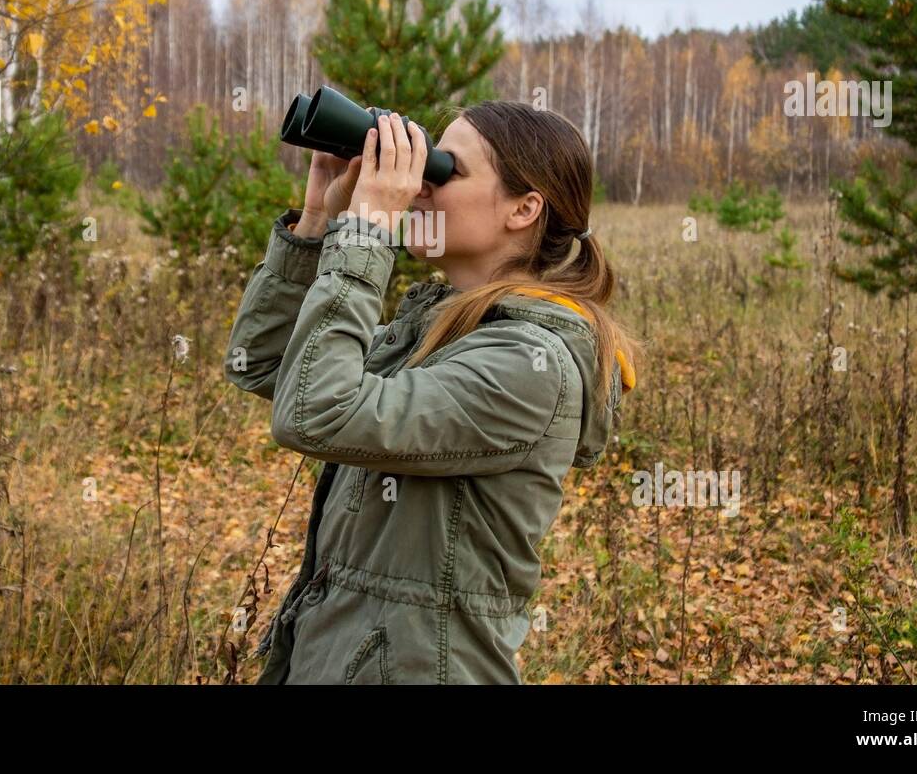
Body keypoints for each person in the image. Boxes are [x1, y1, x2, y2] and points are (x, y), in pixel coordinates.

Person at [223, 103, 636, 684]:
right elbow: (267, 366)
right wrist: (318, 220)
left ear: (524, 208)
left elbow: (315, 414)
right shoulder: (442, 329)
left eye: (444, 170)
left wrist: (367, 233)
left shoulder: (528, 365)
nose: (417, 187)